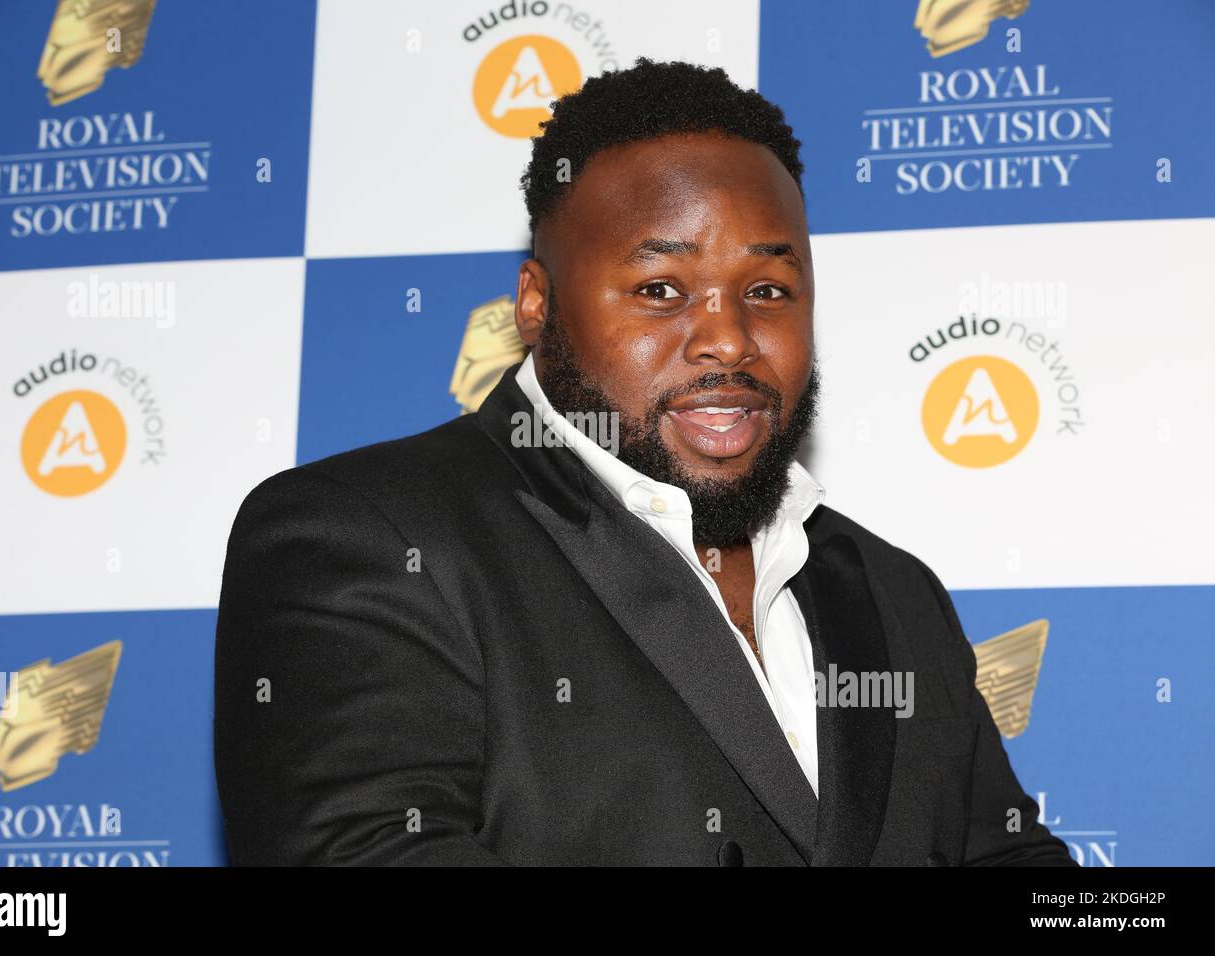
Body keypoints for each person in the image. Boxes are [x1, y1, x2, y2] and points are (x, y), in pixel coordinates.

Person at [214, 58, 1074, 866]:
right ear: (536, 305)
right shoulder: (362, 535)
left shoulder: (894, 591)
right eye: (661, 290)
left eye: (768, 290)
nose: (729, 337)